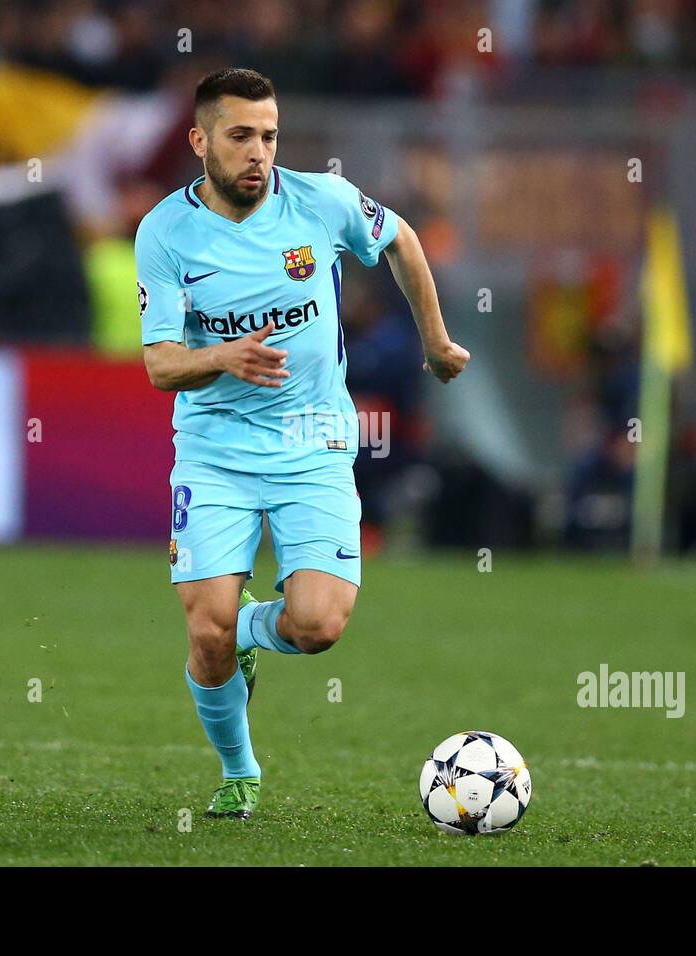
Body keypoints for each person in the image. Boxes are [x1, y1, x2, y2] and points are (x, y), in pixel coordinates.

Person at [136, 68, 469, 819]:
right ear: (200, 141)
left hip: (313, 443)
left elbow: (402, 240)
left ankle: (261, 629)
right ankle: (239, 770)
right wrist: (224, 356)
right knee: (206, 626)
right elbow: (159, 364)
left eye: (270, 135)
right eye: (241, 136)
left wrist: (438, 342)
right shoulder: (163, 232)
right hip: (215, 449)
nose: (259, 152)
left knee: (317, 626)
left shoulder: (321, 201)